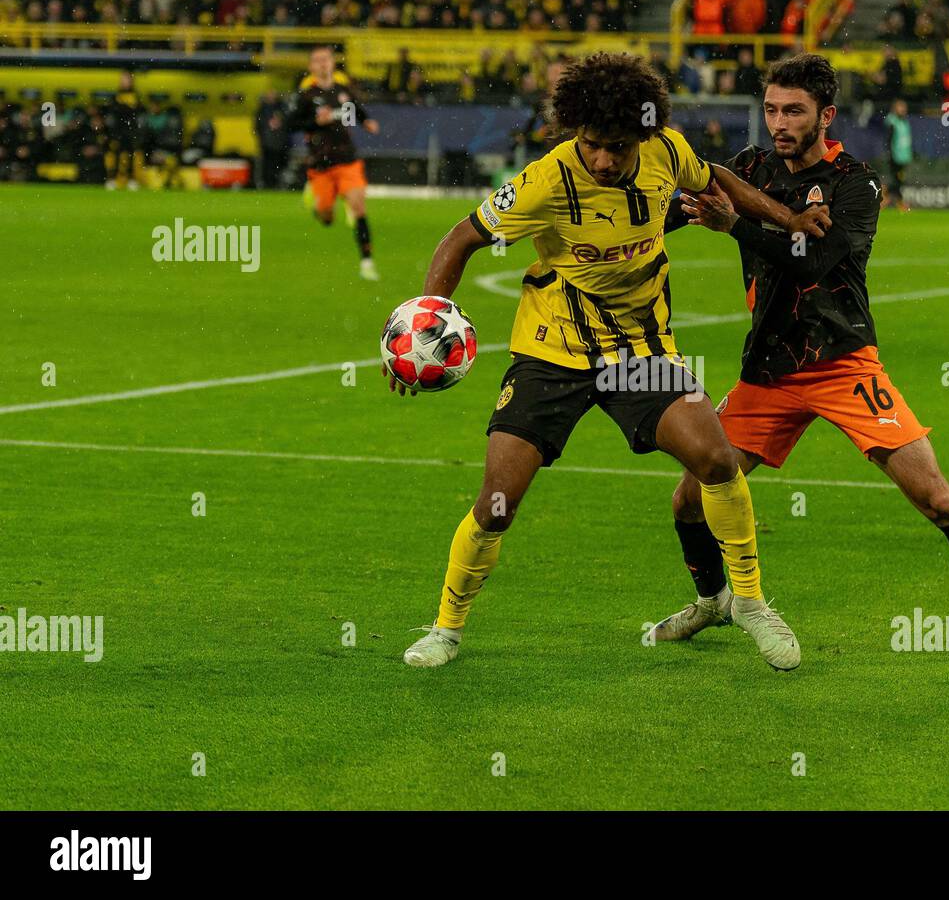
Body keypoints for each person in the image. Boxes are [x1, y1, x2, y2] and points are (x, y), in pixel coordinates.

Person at [395, 53, 832, 672]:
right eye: (593, 145)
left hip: (641, 352)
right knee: (498, 500)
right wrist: (426, 326)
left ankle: (750, 603)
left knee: (714, 458)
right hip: (551, 352)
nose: (603, 159)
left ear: (645, 137)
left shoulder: (667, 152)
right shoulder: (547, 181)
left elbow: (715, 181)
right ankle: (446, 628)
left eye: (618, 148)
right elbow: (461, 238)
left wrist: (789, 218)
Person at [654, 54, 949, 666]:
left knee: (935, 497)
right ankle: (714, 601)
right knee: (689, 498)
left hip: (842, 363)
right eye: (772, 108)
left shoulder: (856, 184)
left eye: (794, 111)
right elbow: (672, 211)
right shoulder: (748, 169)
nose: (779, 122)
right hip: (769, 369)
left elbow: (811, 264)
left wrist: (736, 228)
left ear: (826, 115)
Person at [287, 45, 380, 281]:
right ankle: (315, 198)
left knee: (359, 207)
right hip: (321, 165)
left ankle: (367, 262)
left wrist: (367, 122)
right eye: (317, 60)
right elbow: (292, 124)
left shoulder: (343, 90)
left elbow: (356, 109)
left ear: (332, 63)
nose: (322, 64)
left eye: (326, 59)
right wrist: (316, 122)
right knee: (327, 217)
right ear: (311, 67)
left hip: (347, 159)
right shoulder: (306, 95)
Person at [881, 97, 912, 209]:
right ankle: (894, 199)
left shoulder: (904, 122)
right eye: (900, 107)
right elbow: (889, 140)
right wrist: (890, 154)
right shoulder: (892, 122)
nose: (903, 109)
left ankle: (886, 195)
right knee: (896, 180)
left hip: (903, 156)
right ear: (895, 108)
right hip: (895, 156)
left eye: (904, 107)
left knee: (899, 180)